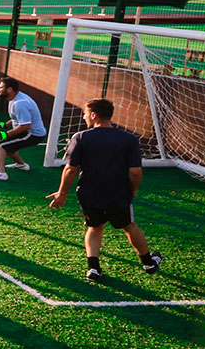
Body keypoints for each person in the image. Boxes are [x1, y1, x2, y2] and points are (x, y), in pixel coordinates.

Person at [46, 98, 162, 282]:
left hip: (89, 192)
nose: (84, 118)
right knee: (129, 226)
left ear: (94, 115)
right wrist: (132, 190)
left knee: (94, 227)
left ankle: (93, 268)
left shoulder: (81, 137)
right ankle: (148, 263)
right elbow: (135, 171)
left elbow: (70, 169)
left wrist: (62, 193)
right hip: (118, 193)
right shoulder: (129, 139)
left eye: (85, 114)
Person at [0, 75, 47, 180]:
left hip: (33, 134)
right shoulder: (14, 98)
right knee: (8, 145)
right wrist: (5, 125)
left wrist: (5, 134)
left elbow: (26, 126)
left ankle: (0, 173)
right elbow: (16, 118)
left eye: (1, 87)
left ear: (9, 89)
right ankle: (22, 165)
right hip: (26, 131)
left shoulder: (20, 104)